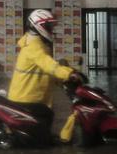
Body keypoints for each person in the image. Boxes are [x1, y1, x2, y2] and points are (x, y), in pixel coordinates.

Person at [7, 9, 81, 143]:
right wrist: (69, 73)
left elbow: (47, 71)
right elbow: (49, 65)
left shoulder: (38, 44)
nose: (51, 29)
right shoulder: (34, 47)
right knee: (45, 133)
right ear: (38, 26)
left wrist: (63, 78)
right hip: (26, 99)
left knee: (48, 117)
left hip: (32, 98)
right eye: (48, 26)